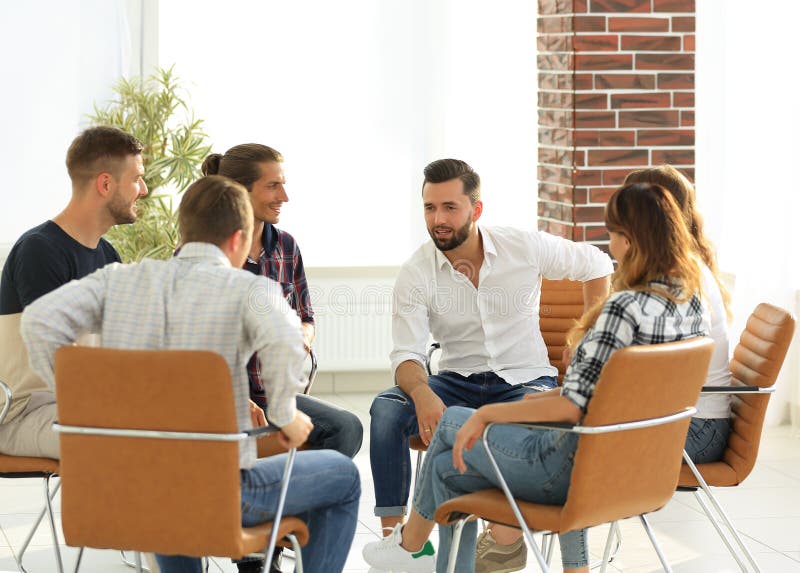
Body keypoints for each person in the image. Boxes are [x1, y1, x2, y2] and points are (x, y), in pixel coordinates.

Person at [363, 181, 711, 573]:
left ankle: (410, 547)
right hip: (638, 465)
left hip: (570, 464)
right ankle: (548, 562)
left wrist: (487, 415)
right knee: (439, 454)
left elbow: (572, 407)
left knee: (453, 438)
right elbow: (594, 401)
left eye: (612, 234)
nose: (610, 246)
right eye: (430, 208)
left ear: (630, 240)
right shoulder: (691, 301)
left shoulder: (620, 311)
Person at [20, 175, 360, 573]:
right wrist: (285, 414)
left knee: (165, 495)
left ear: (185, 232)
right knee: (344, 475)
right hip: (216, 495)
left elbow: (38, 322)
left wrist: (80, 395)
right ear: (238, 239)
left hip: (126, 491)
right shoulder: (248, 289)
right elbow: (286, 335)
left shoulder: (118, 280)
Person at [369, 158, 614, 549]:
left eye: (450, 207)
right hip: (454, 382)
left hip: (525, 380)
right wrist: (422, 393)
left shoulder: (523, 246)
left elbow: (597, 263)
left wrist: (588, 340)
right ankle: (397, 543)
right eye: (430, 208)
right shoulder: (416, 271)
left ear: (476, 209)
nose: (438, 219)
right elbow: (406, 354)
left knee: (512, 435)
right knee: (385, 410)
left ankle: (502, 531)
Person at [201, 144, 363, 572]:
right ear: (240, 191)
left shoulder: (285, 246)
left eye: (283, 184)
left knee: (345, 428)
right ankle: (259, 550)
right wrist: (238, 398)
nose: (283, 197)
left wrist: (300, 339)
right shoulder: (207, 254)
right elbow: (200, 349)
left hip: (278, 393)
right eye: (273, 185)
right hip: (224, 398)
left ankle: (268, 541)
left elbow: (306, 314)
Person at [0, 125, 147, 459]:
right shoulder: (39, 250)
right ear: (106, 184)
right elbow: (62, 358)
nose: (144, 189)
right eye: (137, 178)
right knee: (132, 437)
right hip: (23, 412)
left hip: (79, 407)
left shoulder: (108, 256)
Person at [624, 165, 732, 463]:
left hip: (694, 428)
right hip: (686, 419)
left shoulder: (676, 277)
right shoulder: (679, 263)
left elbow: (649, 364)